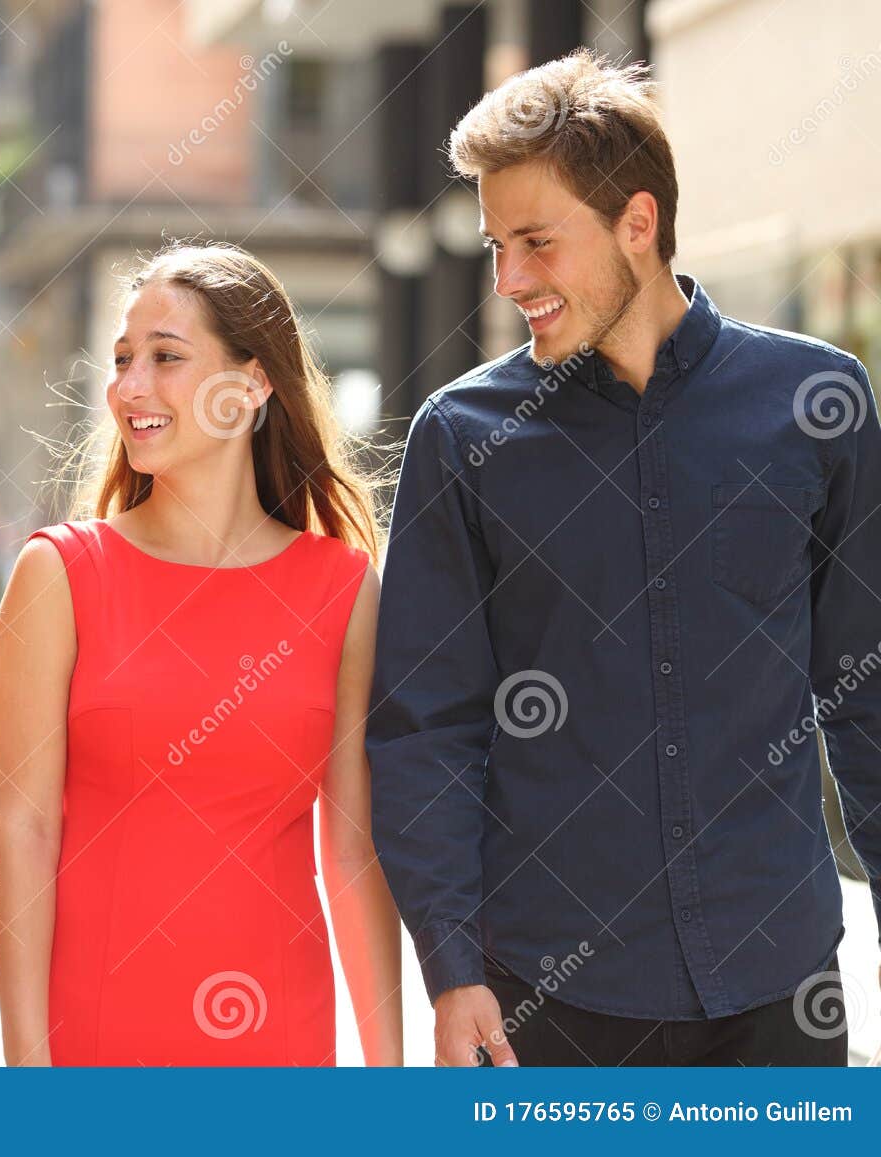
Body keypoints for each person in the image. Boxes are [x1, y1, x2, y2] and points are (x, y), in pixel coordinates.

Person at [368, 50, 881, 1067]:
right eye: (496, 246)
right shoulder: (463, 437)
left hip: (779, 981)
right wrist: (452, 967)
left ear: (636, 224)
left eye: (536, 243)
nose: (509, 280)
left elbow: (863, 688)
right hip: (547, 997)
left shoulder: (815, 403)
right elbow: (426, 726)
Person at [0, 242, 403, 1066]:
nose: (129, 386)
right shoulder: (61, 574)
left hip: (282, 1043)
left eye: (166, 357)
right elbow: (25, 832)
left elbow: (351, 849)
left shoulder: (341, 587)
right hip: (96, 1042)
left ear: (253, 384)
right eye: (122, 359)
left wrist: (389, 1076)